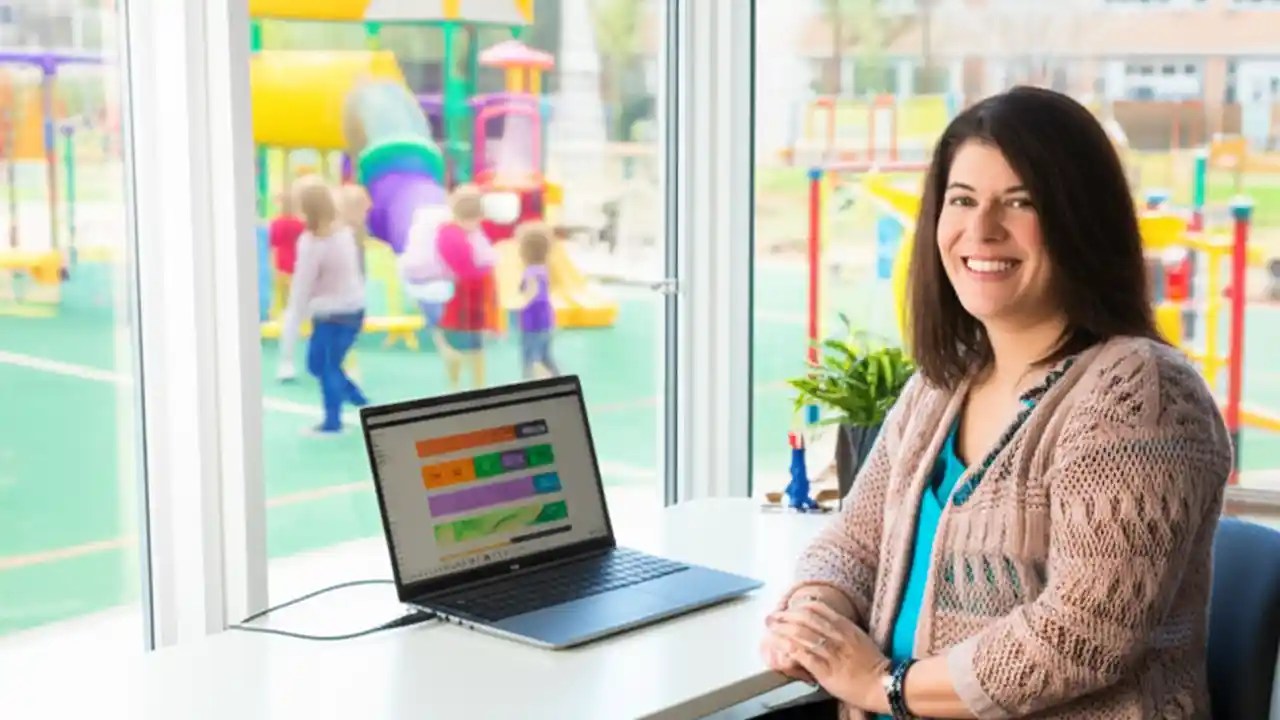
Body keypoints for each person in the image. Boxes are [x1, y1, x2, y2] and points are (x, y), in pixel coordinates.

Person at [759, 86, 1233, 719]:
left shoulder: (1140, 391)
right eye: (962, 200)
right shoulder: (943, 383)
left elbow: (1079, 637)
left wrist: (884, 685)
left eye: (1020, 202)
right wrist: (811, 615)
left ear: (1079, 220)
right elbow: (855, 542)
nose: (981, 230)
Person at [286, 179, 369, 435]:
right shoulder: (344, 233)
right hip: (352, 310)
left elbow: (303, 284)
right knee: (322, 364)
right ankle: (353, 395)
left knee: (325, 365)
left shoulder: (313, 243)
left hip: (332, 313)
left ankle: (333, 422)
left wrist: (294, 319)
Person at [433, 184, 498, 390]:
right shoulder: (452, 235)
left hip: (468, 303)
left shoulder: (466, 233)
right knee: (464, 348)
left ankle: (470, 387)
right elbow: (467, 270)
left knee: (472, 348)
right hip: (461, 302)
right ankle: (462, 387)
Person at [270, 182, 307, 381]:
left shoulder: (278, 223)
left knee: (286, 302)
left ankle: (281, 313)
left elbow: (273, 244)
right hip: (297, 267)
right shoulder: (299, 224)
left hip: (283, 266)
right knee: (294, 305)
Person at [514, 221, 559, 379]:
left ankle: (528, 382)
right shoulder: (543, 269)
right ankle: (557, 378)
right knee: (545, 356)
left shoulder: (531, 272)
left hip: (532, 323)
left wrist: (520, 304)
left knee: (529, 357)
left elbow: (532, 293)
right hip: (546, 321)